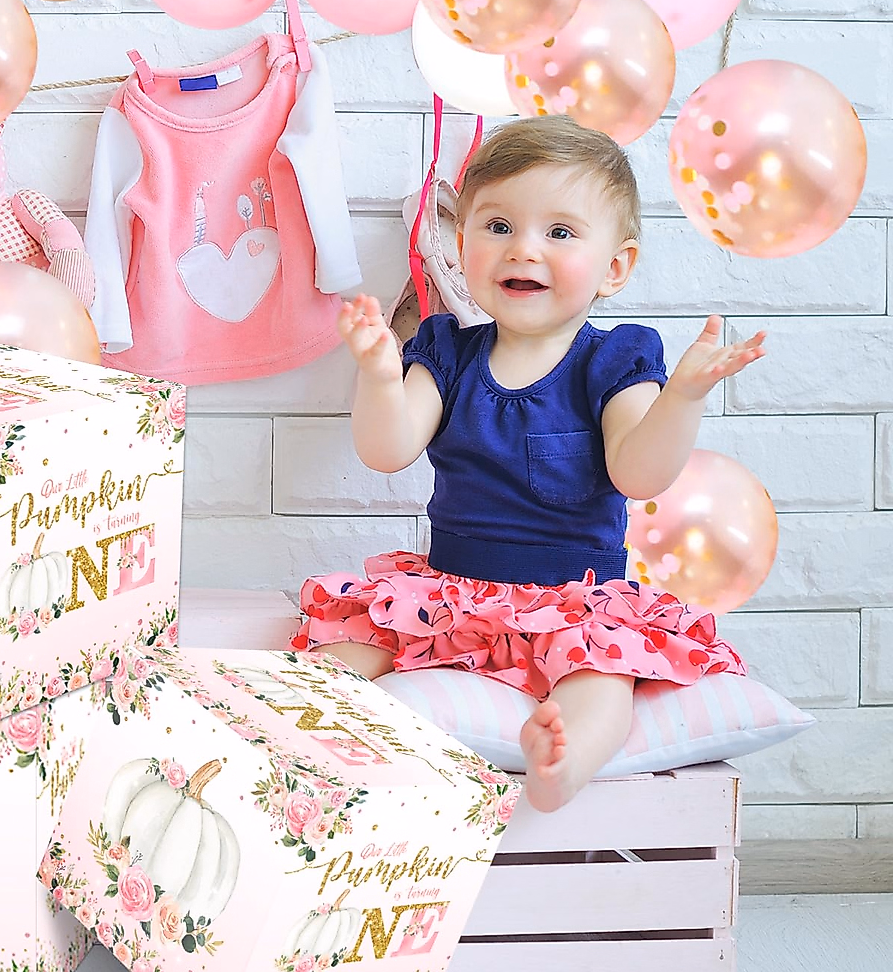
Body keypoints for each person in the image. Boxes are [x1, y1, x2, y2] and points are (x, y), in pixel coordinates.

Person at [292, 115, 766, 813]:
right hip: (453, 590)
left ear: (615, 268)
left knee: (601, 682)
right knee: (340, 658)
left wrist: (683, 398)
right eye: (498, 226)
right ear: (462, 245)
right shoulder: (446, 351)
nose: (524, 249)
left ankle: (561, 765)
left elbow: (639, 472)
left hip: (575, 603)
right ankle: (279, 741)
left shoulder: (616, 361)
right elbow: (387, 451)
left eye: (560, 232)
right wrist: (380, 376)